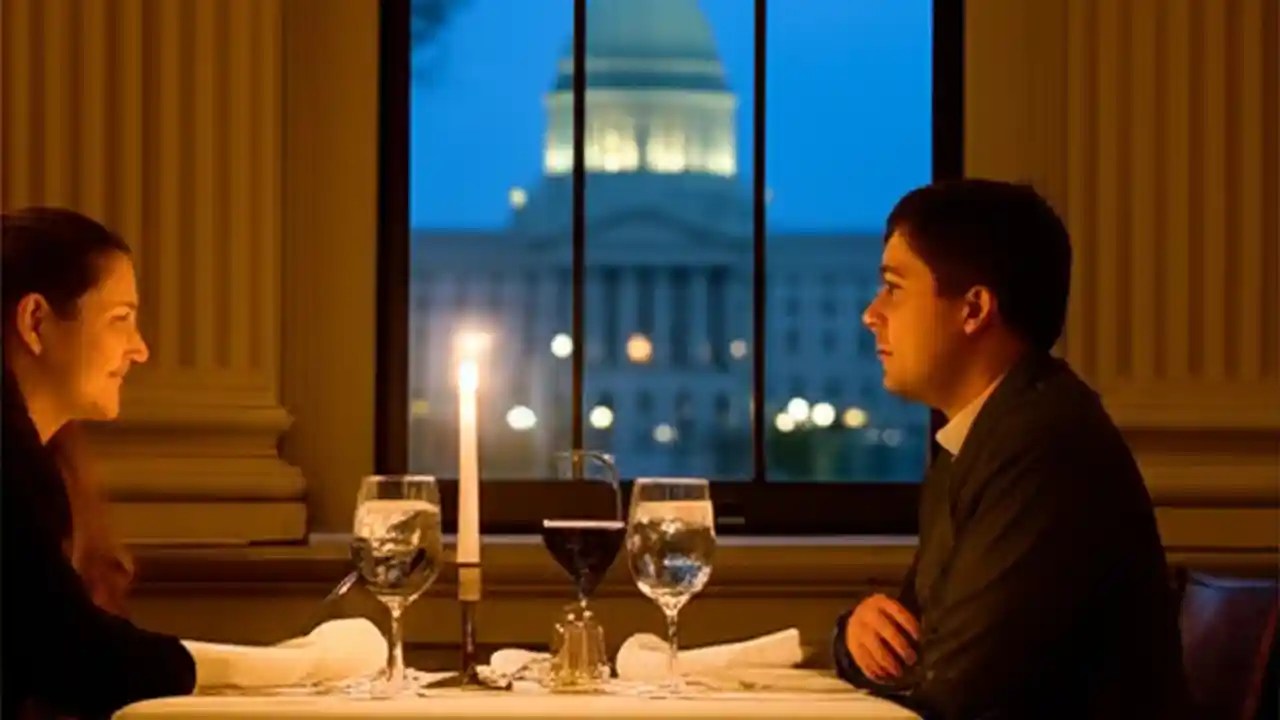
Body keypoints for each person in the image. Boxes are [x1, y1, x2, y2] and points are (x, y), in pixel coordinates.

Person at [833, 180, 1188, 719]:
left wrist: (885, 657)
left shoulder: (1045, 447)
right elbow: (920, 643)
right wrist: (855, 633)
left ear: (973, 308)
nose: (871, 313)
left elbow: (958, 690)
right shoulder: (982, 434)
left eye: (894, 288)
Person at [2, 207, 196, 719]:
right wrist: (297, 666)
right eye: (120, 319)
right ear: (36, 322)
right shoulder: (11, 471)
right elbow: (76, 658)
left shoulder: (39, 463)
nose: (140, 349)